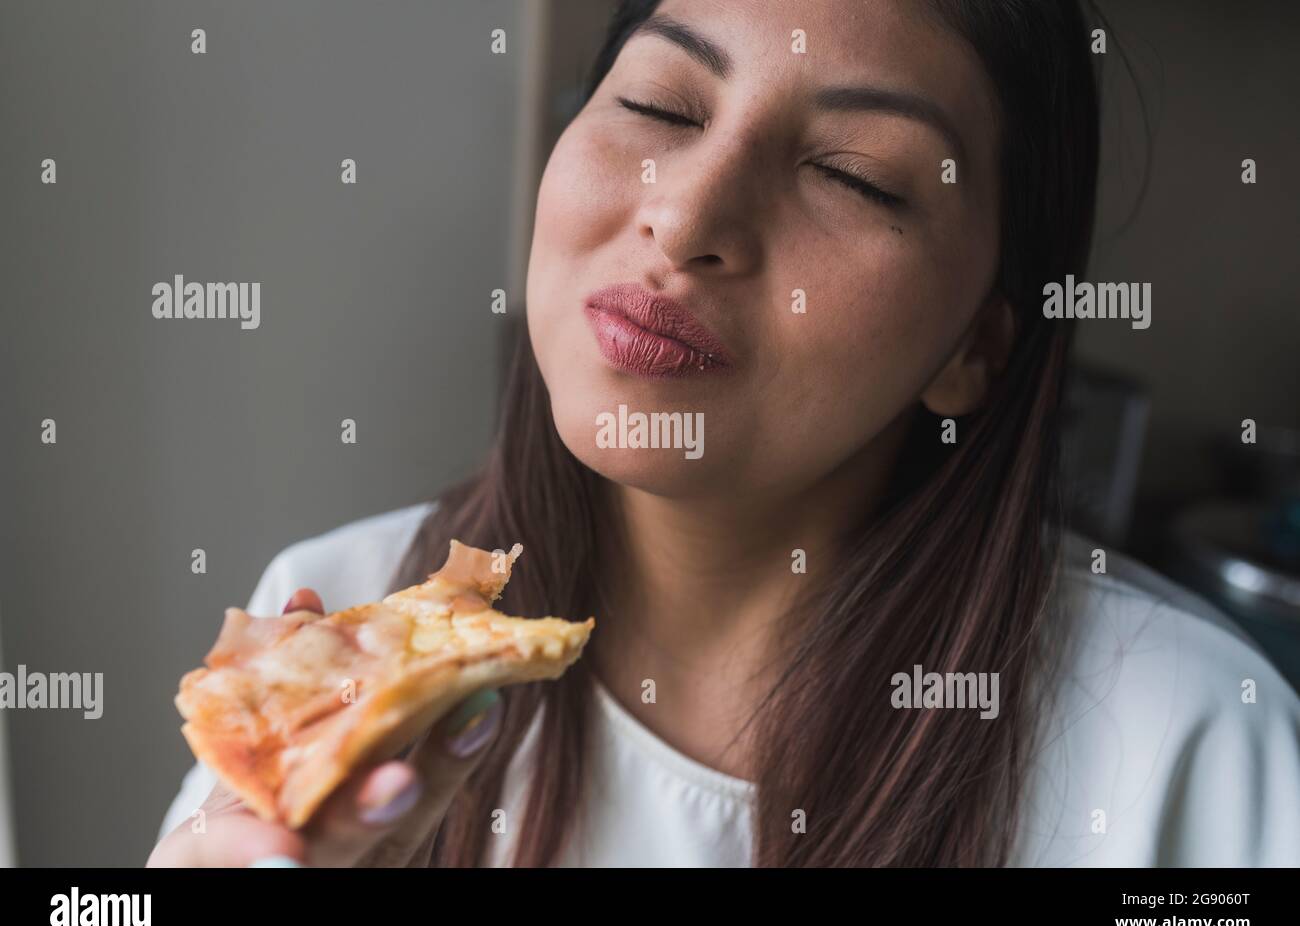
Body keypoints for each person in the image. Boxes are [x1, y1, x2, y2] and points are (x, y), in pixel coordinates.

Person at [149, 0, 1300, 867]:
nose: (687, 216)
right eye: (657, 106)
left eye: (850, 176)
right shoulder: (323, 634)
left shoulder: (1187, 749)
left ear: (975, 347)